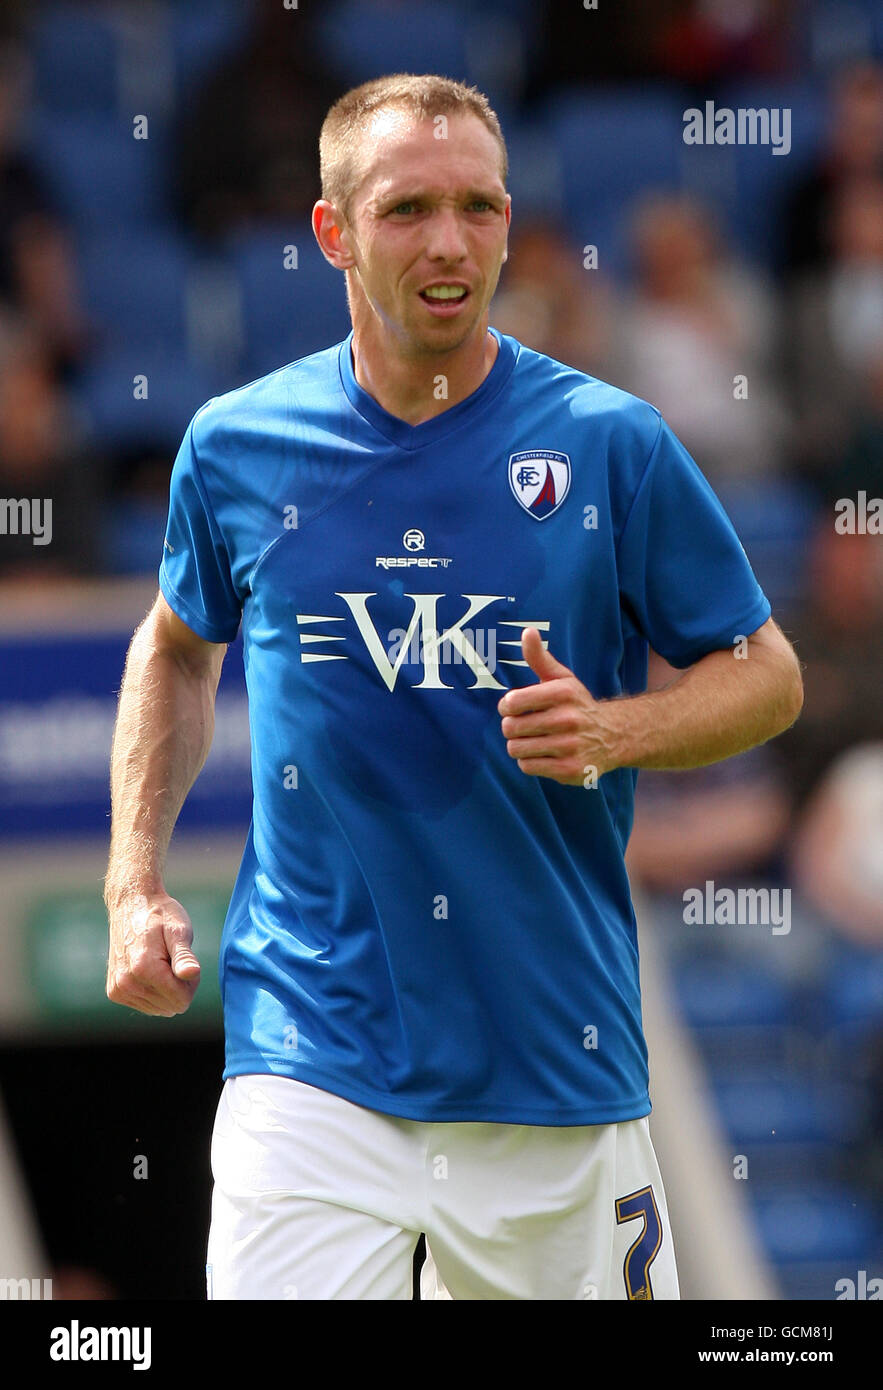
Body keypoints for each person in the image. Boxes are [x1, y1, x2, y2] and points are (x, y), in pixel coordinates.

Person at [104, 73, 804, 1301]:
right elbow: (173, 646)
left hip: (553, 1059)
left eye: (479, 207)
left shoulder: (609, 441)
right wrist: (132, 881)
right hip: (310, 1061)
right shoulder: (235, 444)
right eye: (406, 208)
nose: (449, 243)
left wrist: (613, 728)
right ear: (333, 232)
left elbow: (766, 675)